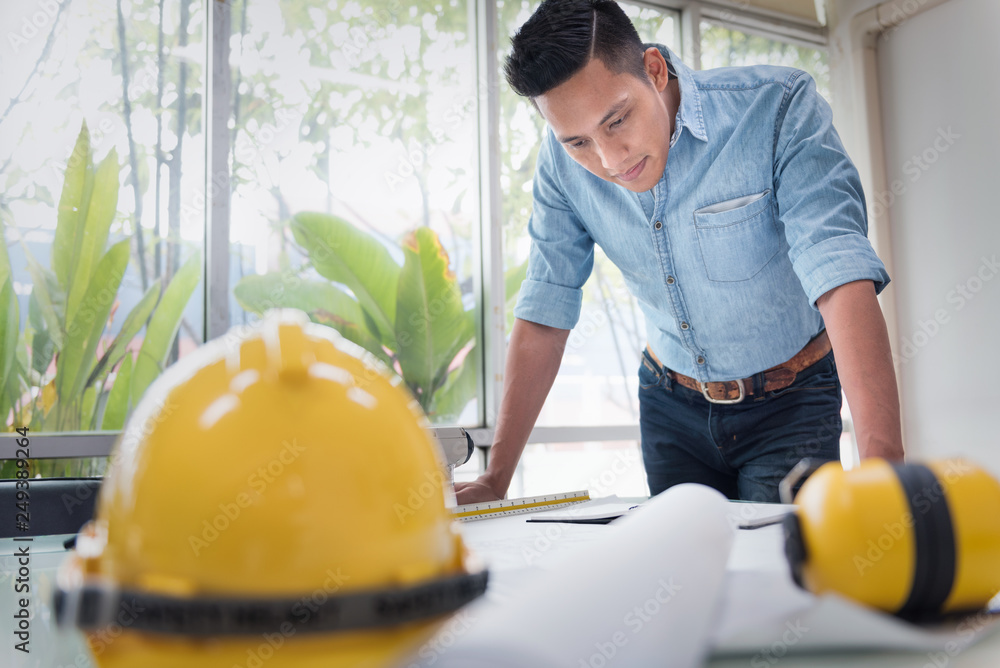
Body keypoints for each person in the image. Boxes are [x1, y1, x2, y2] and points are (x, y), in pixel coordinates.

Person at [455, 0, 903, 505]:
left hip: (790, 402)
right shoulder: (561, 168)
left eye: (617, 121)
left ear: (653, 69)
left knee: (779, 572)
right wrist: (496, 478)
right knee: (683, 574)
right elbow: (544, 314)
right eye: (578, 141)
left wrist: (884, 469)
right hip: (670, 407)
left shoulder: (776, 107)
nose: (608, 160)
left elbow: (838, 272)